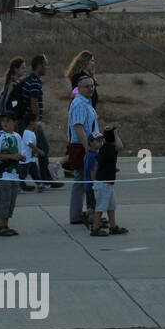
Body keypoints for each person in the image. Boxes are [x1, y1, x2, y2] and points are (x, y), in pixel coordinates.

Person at [17, 54, 60, 188]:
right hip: (31, 123)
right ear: (40, 65)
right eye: (45, 64)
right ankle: (45, 180)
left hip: (27, 121)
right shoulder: (34, 82)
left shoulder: (29, 79)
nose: (47, 67)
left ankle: (40, 180)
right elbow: (34, 103)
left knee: (30, 151)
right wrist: (37, 123)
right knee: (43, 148)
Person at [67, 74, 99, 226]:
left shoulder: (86, 102)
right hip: (82, 145)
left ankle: (86, 213)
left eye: (92, 86)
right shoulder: (79, 103)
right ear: (78, 89)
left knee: (84, 181)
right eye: (86, 86)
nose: (90, 89)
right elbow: (78, 127)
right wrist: (88, 149)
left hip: (86, 145)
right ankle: (80, 215)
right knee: (83, 181)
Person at [0, 111, 23, 236]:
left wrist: (21, 157)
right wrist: (12, 156)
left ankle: (5, 224)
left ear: (14, 122)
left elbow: (20, 152)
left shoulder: (18, 137)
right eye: (3, 121)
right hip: (2, 175)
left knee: (11, 200)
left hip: (14, 174)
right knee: (3, 200)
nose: (5, 123)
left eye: (8, 120)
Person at [90, 127, 127, 236]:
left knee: (111, 206)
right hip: (104, 183)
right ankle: (95, 229)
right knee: (101, 207)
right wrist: (116, 134)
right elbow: (120, 146)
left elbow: (98, 164)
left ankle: (113, 227)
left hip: (106, 183)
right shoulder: (110, 147)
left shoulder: (104, 148)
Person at [17, 112, 45, 192]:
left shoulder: (31, 132)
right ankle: (19, 187)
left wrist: (33, 152)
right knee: (22, 174)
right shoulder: (27, 132)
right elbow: (29, 144)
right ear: (31, 122)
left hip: (30, 158)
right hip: (25, 158)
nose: (38, 123)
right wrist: (38, 151)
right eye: (36, 121)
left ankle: (39, 184)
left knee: (35, 172)